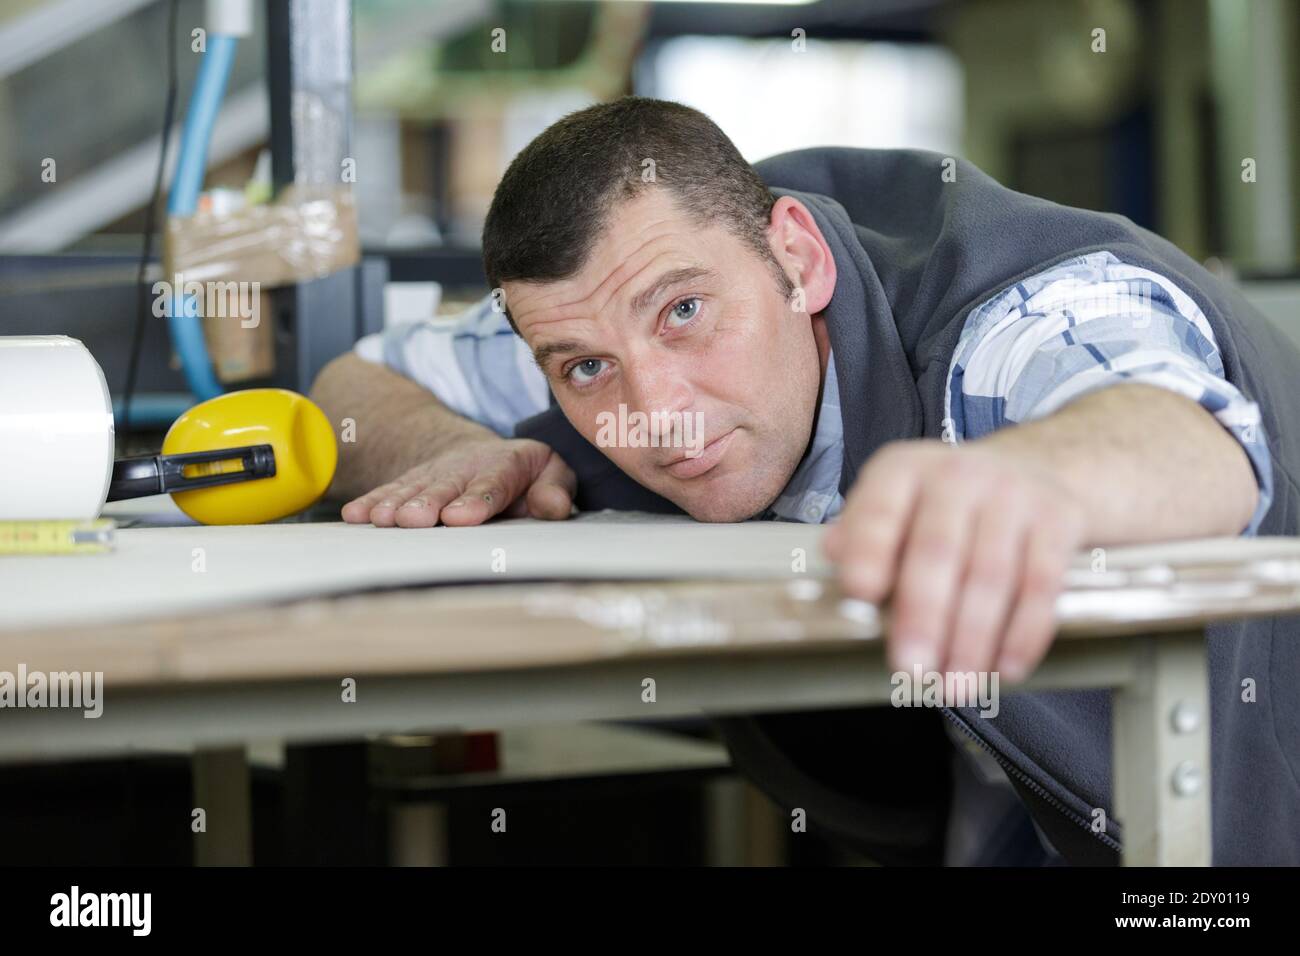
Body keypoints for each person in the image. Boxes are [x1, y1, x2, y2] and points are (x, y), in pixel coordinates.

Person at [311, 97, 1298, 865]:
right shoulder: (605, 295)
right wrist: (450, 446)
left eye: (687, 312)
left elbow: (1194, 441)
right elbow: (352, 384)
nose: (656, 408)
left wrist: (1028, 477)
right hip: (996, 809)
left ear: (799, 259)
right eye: (582, 369)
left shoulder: (1018, 321)